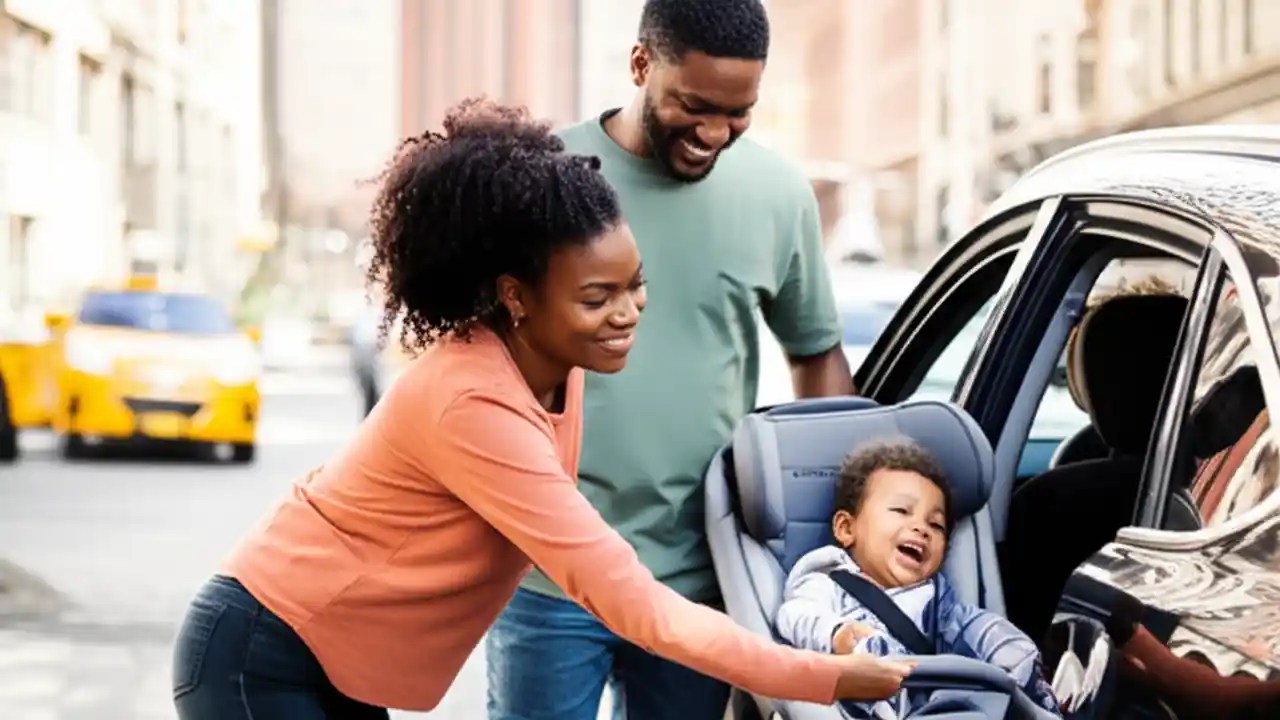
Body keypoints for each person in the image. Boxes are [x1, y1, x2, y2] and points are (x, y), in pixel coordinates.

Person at [169, 98, 914, 719]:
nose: (628, 314)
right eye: (597, 298)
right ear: (515, 298)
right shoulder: (472, 402)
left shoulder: (556, 362)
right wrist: (821, 676)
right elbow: (633, 604)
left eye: (634, 285)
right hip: (263, 651)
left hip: (327, 654)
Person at [486, 2, 855, 717]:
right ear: (639, 65)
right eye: (694, 105)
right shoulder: (545, 177)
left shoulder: (778, 194)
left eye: (737, 112)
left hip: (698, 579)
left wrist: (825, 523)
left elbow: (817, 355)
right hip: (548, 571)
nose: (714, 132)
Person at [775, 438, 1062, 718]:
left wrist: (1011, 653)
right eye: (901, 511)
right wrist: (839, 634)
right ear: (846, 528)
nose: (921, 529)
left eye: (936, 525)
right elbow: (796, 614)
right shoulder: (826, 582)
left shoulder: (937, 604)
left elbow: (972, 628)